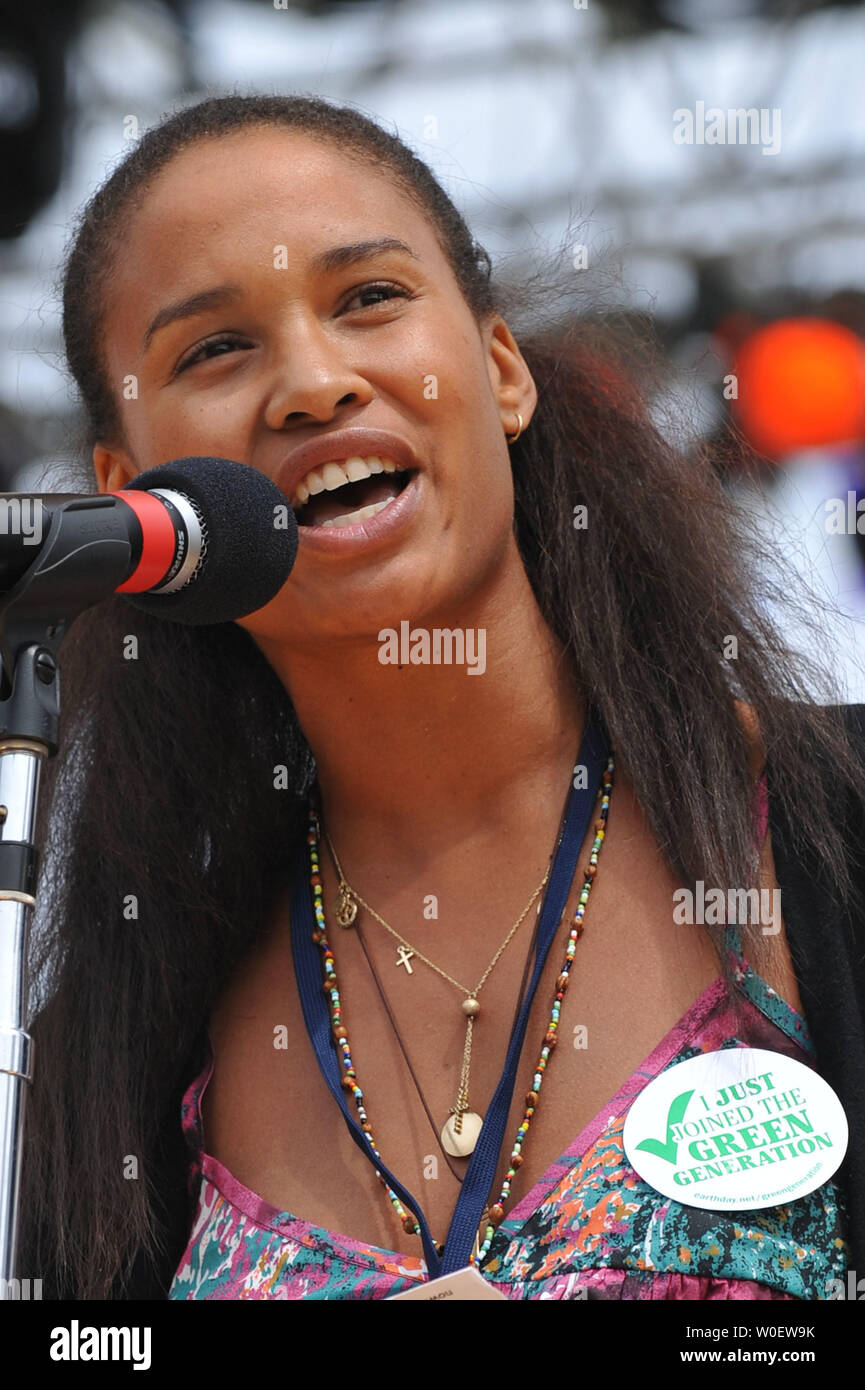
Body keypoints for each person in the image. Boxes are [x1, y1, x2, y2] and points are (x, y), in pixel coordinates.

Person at [18, 93, 865, 1301]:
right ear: (132, 494)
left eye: (368, 298)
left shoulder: (824, 831)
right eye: (214, 349)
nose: (313, 385)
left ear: (502, 369)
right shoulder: (101, 1065)